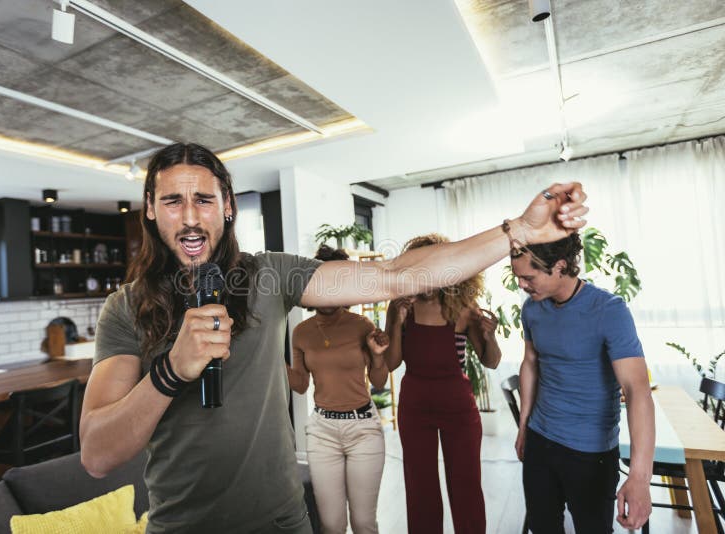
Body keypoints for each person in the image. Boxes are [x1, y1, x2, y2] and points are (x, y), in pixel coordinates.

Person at [79, 142, 589, 533]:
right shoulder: (124, 310)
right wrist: (170, 371)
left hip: (281, 523)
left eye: (203, 200)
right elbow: (98, 453)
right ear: (149, 209)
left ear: (227, 206)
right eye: (172, 201)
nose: (190, 217)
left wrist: (518, 230)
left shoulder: (269, 277)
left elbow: (396, 275)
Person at [511, 234, 655, 533]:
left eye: (528, 277)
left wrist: (640, 477)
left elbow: (637, 390)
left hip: (591, 452)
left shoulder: (609, 310)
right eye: (518, 277)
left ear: (559, 266)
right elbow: (531, 363)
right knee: (543, 527)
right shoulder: (532, 309)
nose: (521, 285)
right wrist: (524, 426)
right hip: (540, 439)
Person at [384, 234, 501, 534]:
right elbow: (392, 363)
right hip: (415, 405)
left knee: (465, 486)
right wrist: (396, 323)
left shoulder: (463, 308)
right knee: (419, 486)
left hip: (457, 406)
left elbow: (492, 361)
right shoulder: (400, 307)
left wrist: (489, 335)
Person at [286, 245, 389, 534]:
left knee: (363, 523)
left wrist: (378, 355)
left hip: (363, 430)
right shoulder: (302, 332)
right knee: (330, 525)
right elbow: (301, 385)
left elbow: (379, 381)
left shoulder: (362, 325)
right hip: (322, 432)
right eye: (322, 282)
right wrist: (274, 362)